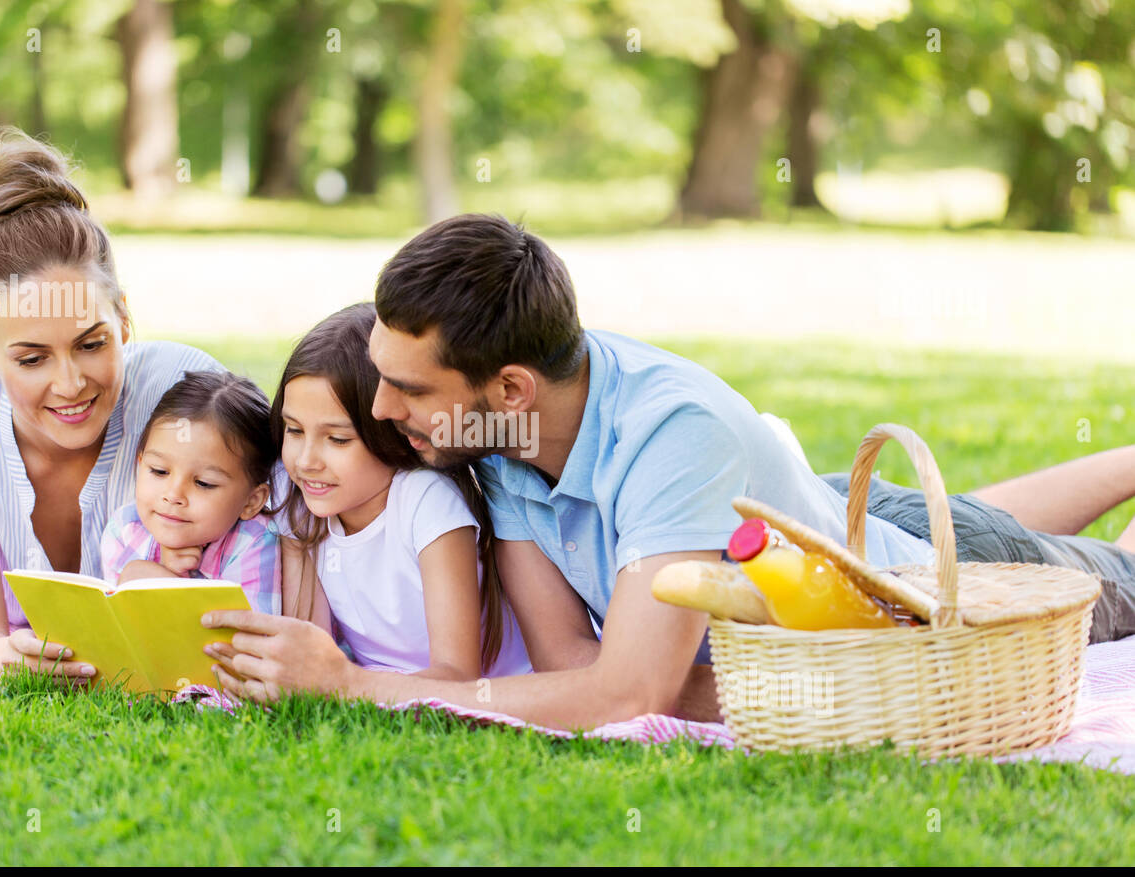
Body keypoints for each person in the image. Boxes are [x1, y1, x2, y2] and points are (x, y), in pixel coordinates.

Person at [203, 214, 1135, 729]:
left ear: (510, 385)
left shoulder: (671, 433)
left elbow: (621, 694)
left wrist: (353, 685)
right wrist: (652, 670)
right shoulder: (504, 439)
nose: (383, 412)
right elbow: (573, 662)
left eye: (408, 388)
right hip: (831, 516)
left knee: (1108, 579)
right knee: (968, 511)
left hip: (917, 575)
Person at [0, 128, 223, 678]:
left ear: (123, 318)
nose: (71, 384)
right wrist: (9, 658)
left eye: (92, 343)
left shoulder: (185, 393)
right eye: (31, 359)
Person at [215, 303, 531, 685]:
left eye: (337, 438)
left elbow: (458, 674)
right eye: (294, 430)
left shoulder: (425, 502)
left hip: (484, 688)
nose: (306, 460)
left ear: (390, 431)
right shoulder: (299, 498)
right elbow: (311, 638)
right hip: (373, 687)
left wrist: (346, 685)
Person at [100, 371, 281, 615]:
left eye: (204, 483)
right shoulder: (124, 529)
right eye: (159, 471)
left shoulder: (254, 542)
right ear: (140, 464)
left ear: (251, 501)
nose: (173, 495)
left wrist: (167, 583)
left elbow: (244, 640)